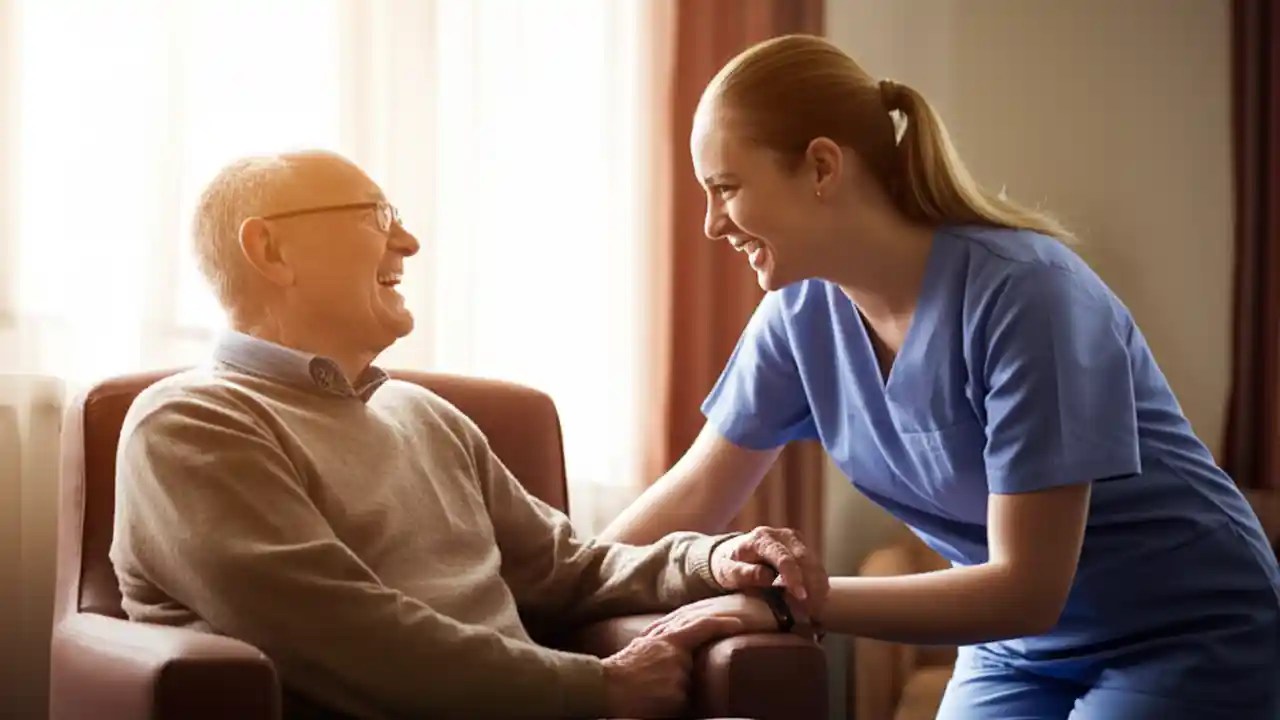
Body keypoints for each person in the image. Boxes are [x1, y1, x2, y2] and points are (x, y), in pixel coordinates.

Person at [602, 34, 1280, 719]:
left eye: (726, 188)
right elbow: (694, 493)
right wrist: (553, 591)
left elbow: (1027, 588)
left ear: (821, 167)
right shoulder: (800, 317)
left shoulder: (1029, 297)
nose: (713, 224)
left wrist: (787, 601)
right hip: (1016, 648)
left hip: (1182, 626)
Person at [110, 150, 824, 720]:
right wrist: (596, 690)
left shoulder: (423, 415)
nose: (408, 241)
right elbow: (342, 636)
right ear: (269, 249)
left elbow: (568, 571)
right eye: (375, 214)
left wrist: (713, 560)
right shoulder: (190, 423)